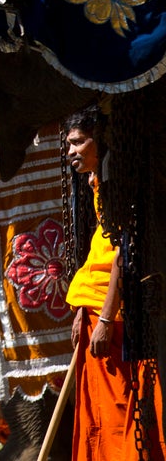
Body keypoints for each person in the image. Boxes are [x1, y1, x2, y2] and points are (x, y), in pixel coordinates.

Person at [64, 104, 166, 461]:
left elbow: (125, 252)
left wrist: (105, 319)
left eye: (78, 142)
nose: (71, 153)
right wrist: (82, 308)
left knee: (125, 412)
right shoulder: (96, 184)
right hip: (95, 308)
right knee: (100, 418)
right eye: (68, 145)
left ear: (101, 139)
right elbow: (100, 251)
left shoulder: (119, 184)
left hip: (117, 318)